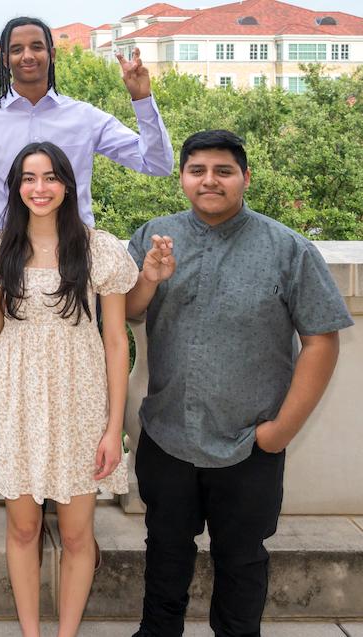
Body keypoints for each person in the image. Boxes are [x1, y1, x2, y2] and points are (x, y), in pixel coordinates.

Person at [125, 130, 353, 637]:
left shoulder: (288, 248)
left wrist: (279, 432)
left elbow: (321, 340)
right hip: (168, 433)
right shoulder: (155, 235)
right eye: (197, 170)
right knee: (164, 548)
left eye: (223, 171)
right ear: (183, 177)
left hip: (250, 439)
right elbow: (128, 313)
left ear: (245, 178)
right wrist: (149, 279)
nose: (210, 181)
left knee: (242, 558)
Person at [0, 143, 136, 636]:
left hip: (78, 399)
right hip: (15, 395)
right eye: (27, 178)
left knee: (77, 532)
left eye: (49, 178)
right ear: (15, 186)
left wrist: (113, 429)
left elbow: (116, 343)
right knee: (22, 527)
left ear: (67, 183)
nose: (38, 189)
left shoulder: (99, 247)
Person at [0, 16, 173, 230]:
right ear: (5, 60)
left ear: (52, 54)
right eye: (17, 50)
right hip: (6, 255)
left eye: (36, 47)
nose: (27, 56)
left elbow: (157, 164)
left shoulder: (84, 117)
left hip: (76, 255)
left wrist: (142, 100)